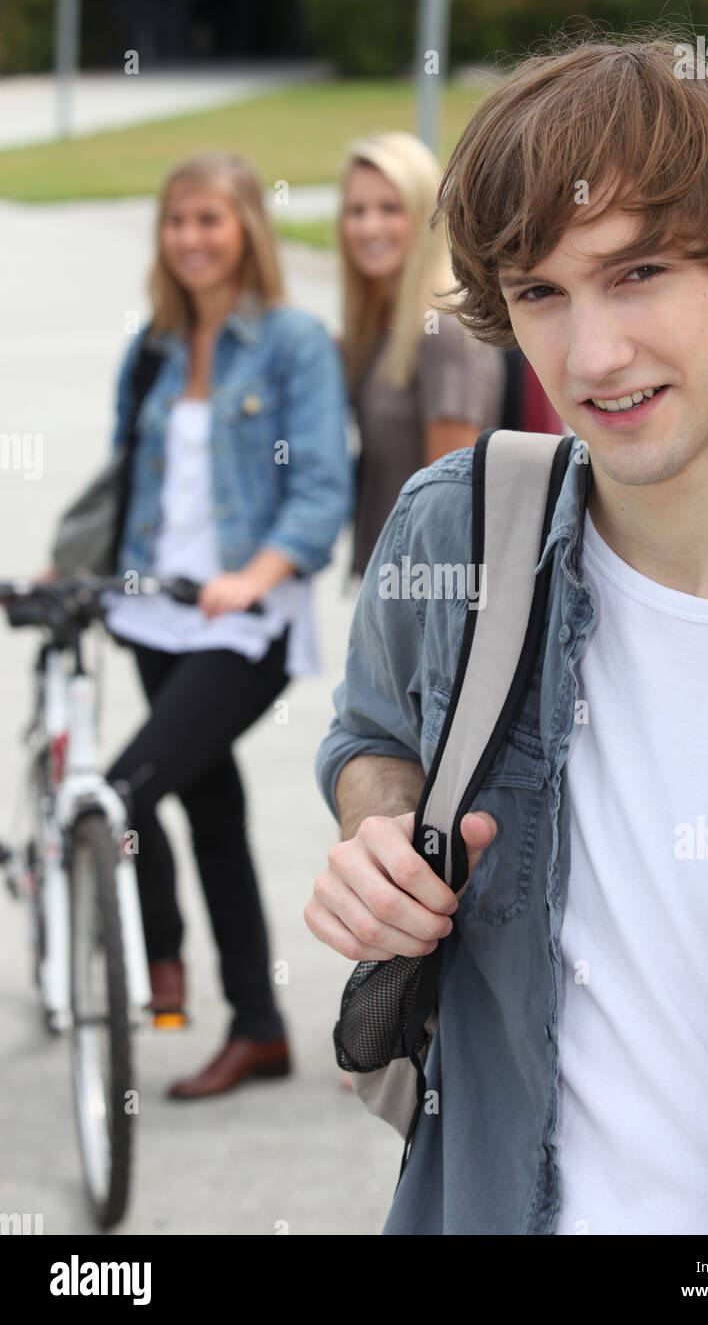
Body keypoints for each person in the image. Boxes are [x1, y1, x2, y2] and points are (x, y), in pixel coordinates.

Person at [307, 33, 708, 1235]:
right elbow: (368, 732)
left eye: (638, 273)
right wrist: (380, 840)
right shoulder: (452, 529)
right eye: (540, 294)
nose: (591, 357)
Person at [100, 152, 351, 1097]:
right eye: (177, 222)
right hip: (154, 615)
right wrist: (73, 565)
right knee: (211, 811)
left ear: (246, 223)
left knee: (121, 793)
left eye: (210, 219)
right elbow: (124, 475)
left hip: (247, 625)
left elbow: (321, 483)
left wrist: (255, 575)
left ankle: (162, 972)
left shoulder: (292, 341)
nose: (192, 239)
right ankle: (258, 1026)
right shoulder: (156, 344)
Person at [336, 131, 505, 582]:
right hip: (387, 581)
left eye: (390, 209)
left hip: (424, 587)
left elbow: (449, 506)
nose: (369, 227)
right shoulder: (385, 326)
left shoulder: (444, 334)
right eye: (357, 210)